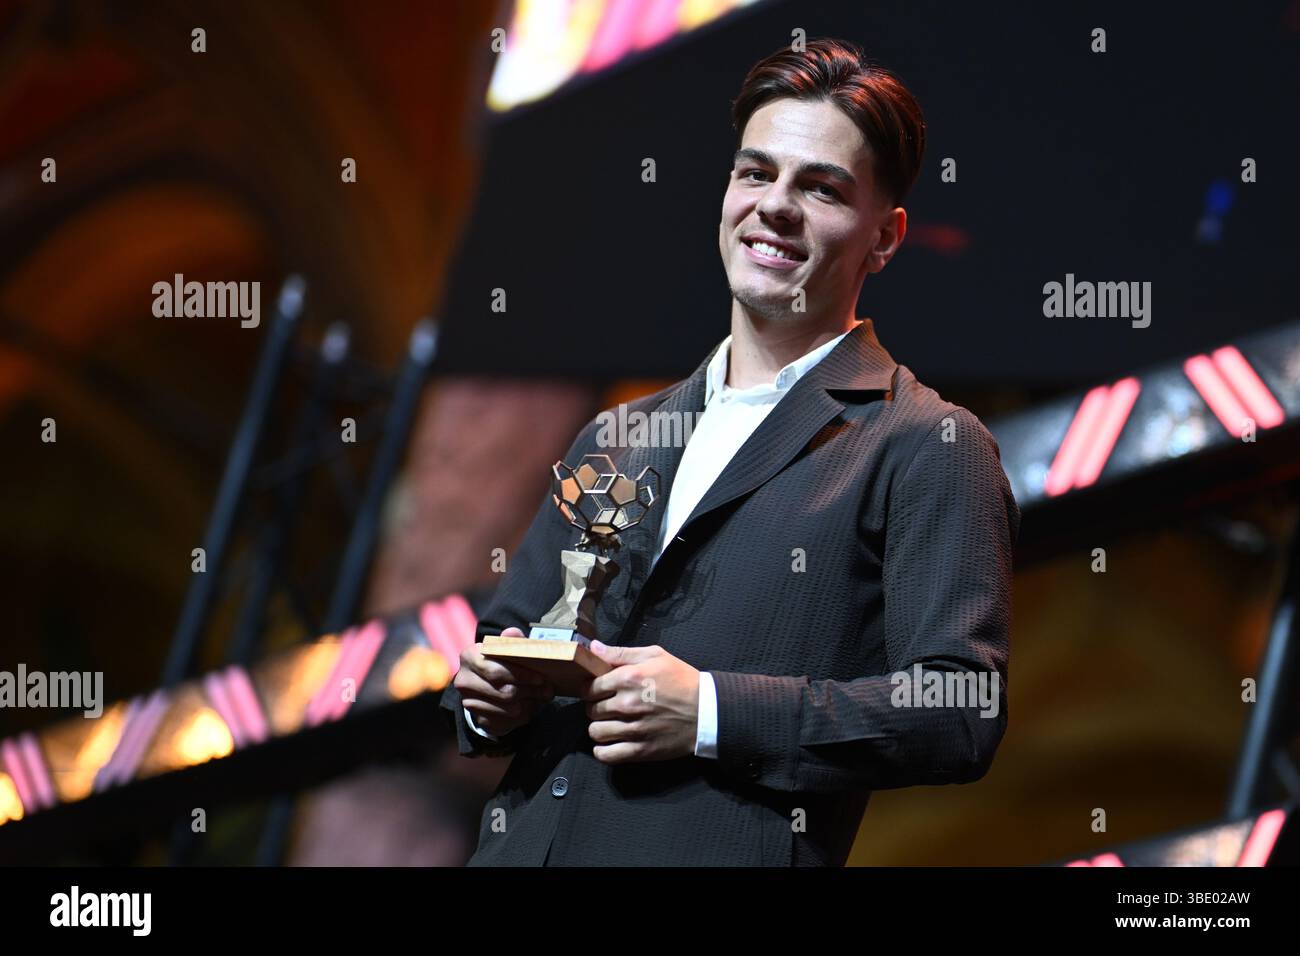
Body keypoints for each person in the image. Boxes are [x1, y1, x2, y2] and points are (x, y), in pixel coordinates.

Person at [440, 37, 1021, 866]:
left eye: (820, 188)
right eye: (756, 173)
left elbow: (959, 711)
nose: (775, 206)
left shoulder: (926, 443)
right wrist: (485, 696)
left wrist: (712, 712)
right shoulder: (618, 435)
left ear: (884, 238)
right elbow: (506, 639)